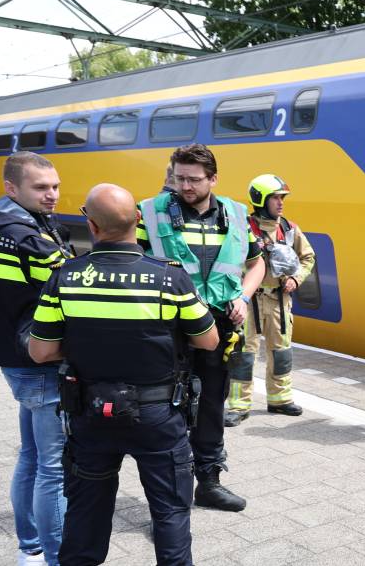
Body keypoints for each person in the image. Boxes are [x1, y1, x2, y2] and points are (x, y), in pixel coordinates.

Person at [28, 183, 219, 565]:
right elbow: (209, 341)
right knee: (169, 512)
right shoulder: (170, 278)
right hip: (159, 417)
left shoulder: (66, 277)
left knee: (85, 515)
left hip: (91, 414)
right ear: (136, 221)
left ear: (92, 225)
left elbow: (41, 351)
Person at [137, 143, 265, 511]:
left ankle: (208, 482)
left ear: (213, 179)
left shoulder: (237, 215)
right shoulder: (150, 214)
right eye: (180, 179)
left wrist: (243, 296)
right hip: (170, 328)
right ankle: (169, 496)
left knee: (211, 403)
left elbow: (258, 264)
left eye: (194, 180)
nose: (186, 187)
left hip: (220, 327)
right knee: (167, 409)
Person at [0, 152, 72, 566]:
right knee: (53, 468)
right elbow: (69, 286)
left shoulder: (5, 224)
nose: (52, 196)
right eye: (41, 188)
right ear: (12, 188)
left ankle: (29, 548)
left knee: (31, 456)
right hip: (39, 360)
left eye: (55, 186)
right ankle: (57, 555)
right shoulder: (26, 235)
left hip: (17, 356)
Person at [225, 174, 316, 425]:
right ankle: (239, 405)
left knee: (281, 352)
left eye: (282, 198)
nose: (281, 203)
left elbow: (308, 258)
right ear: (261, 200)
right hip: (249, 300)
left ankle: (280, 399)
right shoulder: (242, 230)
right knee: (243, 354)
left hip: (279, 300)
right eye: (276, 197)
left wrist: (295, 279)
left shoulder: (289, 229)